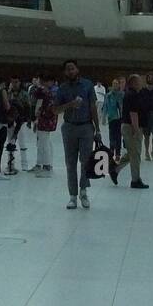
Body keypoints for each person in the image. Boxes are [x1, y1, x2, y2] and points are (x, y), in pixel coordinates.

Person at [53, 60, 99, 210]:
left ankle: (83, 192)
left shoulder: (87, 85)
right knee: (70, 163)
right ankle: (72, 196)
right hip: (69, 127)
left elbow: (93, 106)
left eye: (72, 68)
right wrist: (70, 104)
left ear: (77, 69)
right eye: (67, 69)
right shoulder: (62, 88)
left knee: (86, 161)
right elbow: (55, 110)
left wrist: (97, 129)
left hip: (86, 127)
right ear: (65, 72)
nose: (70, 71)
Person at [119, 73, 149, 189]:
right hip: (131, 127)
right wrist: (136, 130)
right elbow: (133, 113)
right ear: (134, 83)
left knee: (132, 152)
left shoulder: (132, 94)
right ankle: (135, 180)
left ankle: (115, 169)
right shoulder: (132, 95)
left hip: (129, 126)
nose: (141, 83)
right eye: (139, 81)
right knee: (135, 154)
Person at [105, 79, 124, 163]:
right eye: (114, 84)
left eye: (117, 84)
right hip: (111, 118)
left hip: (120, 118)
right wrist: (103, 117)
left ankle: (118, 154)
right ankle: (111, 151)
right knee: (112, 136)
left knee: (118, 136)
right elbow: (106, 106)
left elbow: (124, 105)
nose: (115, 85)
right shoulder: (108, 95)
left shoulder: (122, 94)